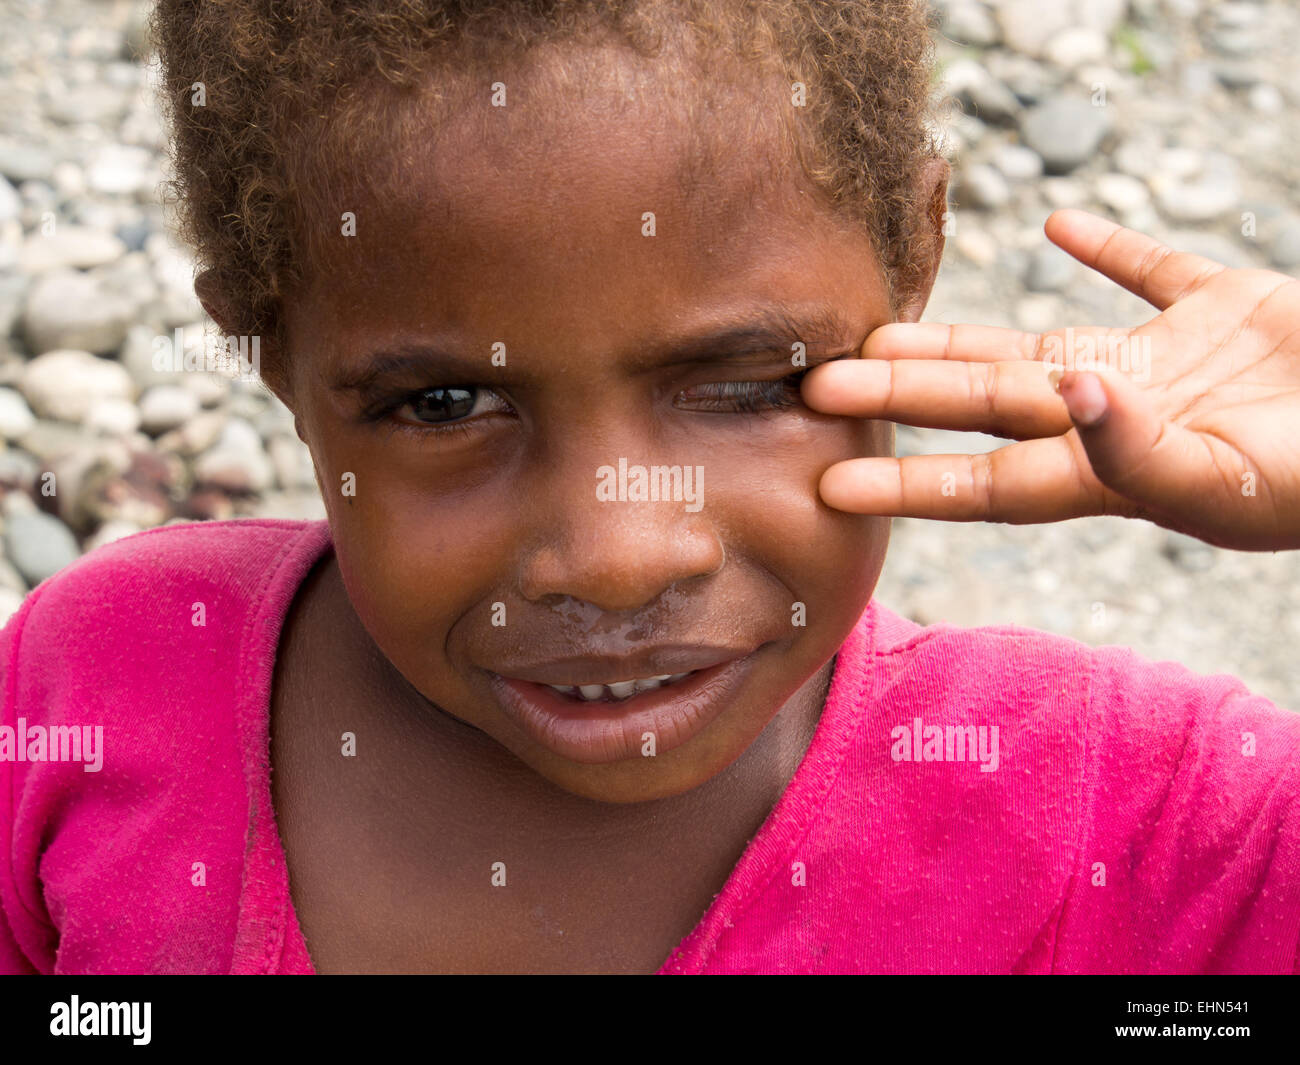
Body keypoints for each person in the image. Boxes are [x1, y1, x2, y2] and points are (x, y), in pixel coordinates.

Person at [1, 0, 1297, 974]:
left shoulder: (1123, 811)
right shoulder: (99, 690)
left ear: (916, 256)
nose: (618, 554)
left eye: (742, 382)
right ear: (269, 349)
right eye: (446, 404)